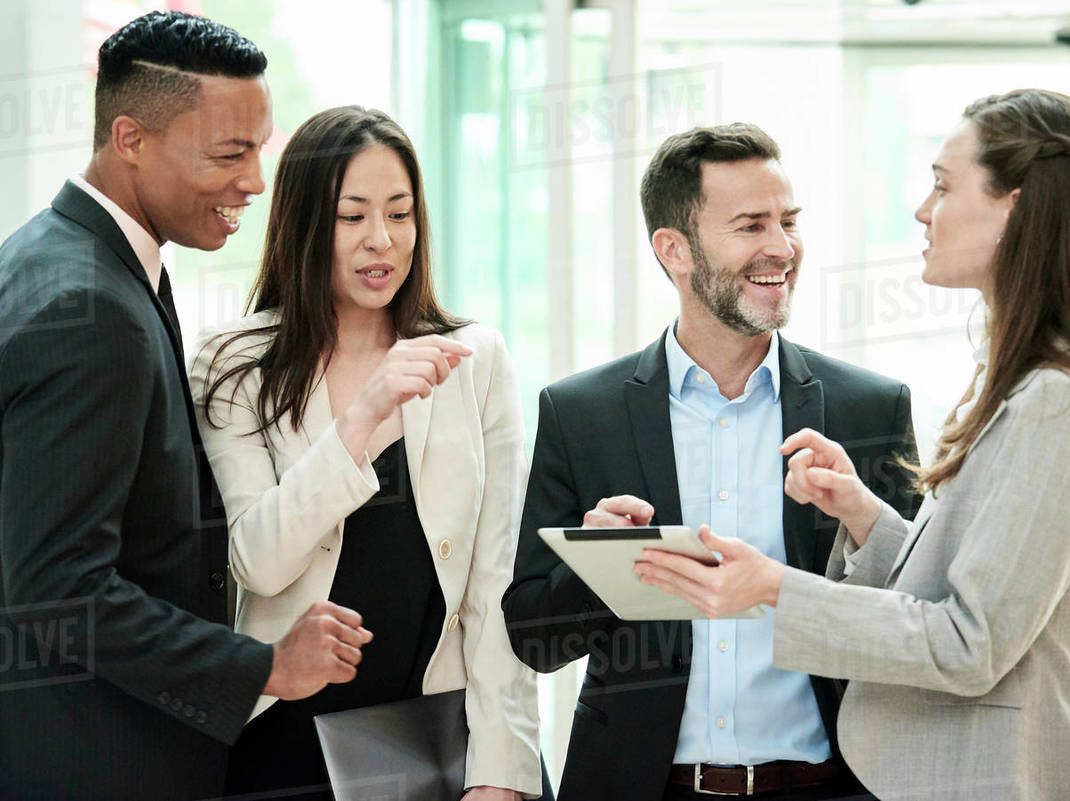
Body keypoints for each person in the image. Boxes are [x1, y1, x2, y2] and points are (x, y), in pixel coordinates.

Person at [635, 89, 1070, 801]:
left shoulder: (1057, 400)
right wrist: (867, 518)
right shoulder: (1033, 383)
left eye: (944, 185)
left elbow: (969, 642)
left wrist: (772, 588)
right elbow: (981, 586)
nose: (924, 210)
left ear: (1015, 207)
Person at [0, 12, 371, 801]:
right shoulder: (90, 305)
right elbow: (58, 585)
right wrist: (262, 665)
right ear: (130, 138)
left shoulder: (58, 257)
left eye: (259, 150)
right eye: (229, 154)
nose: (254, 182)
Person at [503, 123, 920, 801]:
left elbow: (915, 622)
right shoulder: (581, 414)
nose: (781, 248)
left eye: (788, 222)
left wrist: (864, 520)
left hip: (829, 784)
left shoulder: (869, 410)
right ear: (675, 250)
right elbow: (535, 640)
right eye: (752, 226)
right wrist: (598, 566)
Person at [189, 106, 544, 801]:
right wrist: (364, 414)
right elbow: (256, 559)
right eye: (352, 217)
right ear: (306, 225)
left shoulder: (475, 359)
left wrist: (500, 771)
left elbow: (495, 585)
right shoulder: (232, 363)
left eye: (399, 213)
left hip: (438, 743)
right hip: (286, 747)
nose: (381, 240)